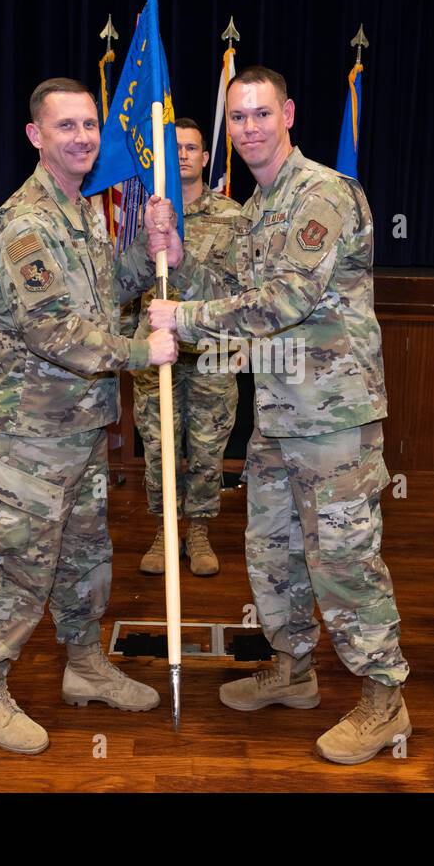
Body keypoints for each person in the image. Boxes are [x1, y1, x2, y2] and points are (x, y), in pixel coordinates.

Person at [144, 66, 411, 765]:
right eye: (239, 117)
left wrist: (184, 314)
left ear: (288, 114)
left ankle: (385, 701)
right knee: (274, 553)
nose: (250, 127)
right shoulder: (259, 208)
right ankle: (293, 671)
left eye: (261, 113)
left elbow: (281, 301)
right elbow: (234, 293)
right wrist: (178, 265)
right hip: (280, 414)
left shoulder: (322, 193)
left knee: (346, 563)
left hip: (334, 420)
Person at [0, 77, 178, 755]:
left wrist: (150, 242)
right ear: (36, 136)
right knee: (21, 561)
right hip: (32, 431)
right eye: (66, 127)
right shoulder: (25, 223)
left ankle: (83, 664)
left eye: (89, 125)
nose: (82, 137)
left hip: (80, 426)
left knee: (84, 556)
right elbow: (58, 331)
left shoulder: (81, 211)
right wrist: (145, 349)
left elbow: (109, 291)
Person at [132, 118, 241, 576]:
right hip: (156, 352)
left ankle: (198, 531)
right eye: (173, 148)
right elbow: (123, 279)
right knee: (160, 447)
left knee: (207, 448)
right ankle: (165, 529)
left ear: (205, 157)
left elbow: (238, 290)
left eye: (191, 148)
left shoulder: (233, 218)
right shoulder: (146, 214)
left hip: (211, 354)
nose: (182, 155)